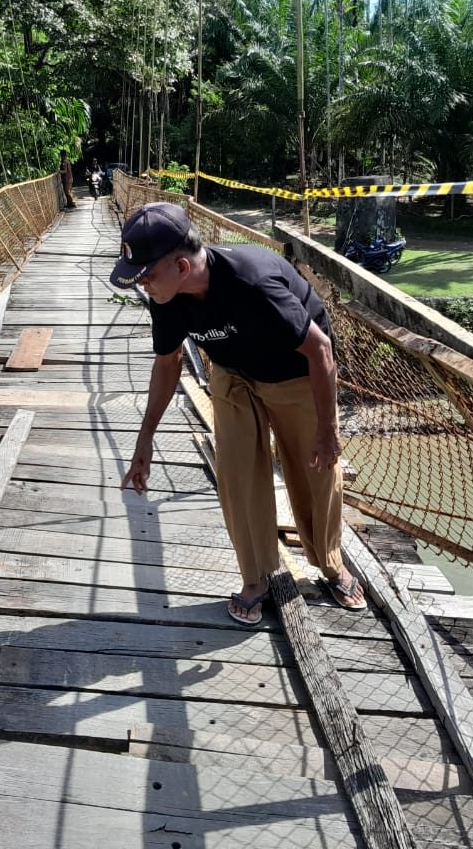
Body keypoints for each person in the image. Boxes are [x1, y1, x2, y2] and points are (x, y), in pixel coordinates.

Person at [110, 201, 366, 626]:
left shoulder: (254, 284)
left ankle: (331, 562)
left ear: (181, 267)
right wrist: (144, 440)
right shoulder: (167, 297)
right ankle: (255, 578)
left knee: (316, 471)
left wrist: (328, 430)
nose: (144, 287)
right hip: (234, 371)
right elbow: (168, 364)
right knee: (236, 472)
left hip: (294, 371)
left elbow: (321, 350)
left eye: (147, 277)